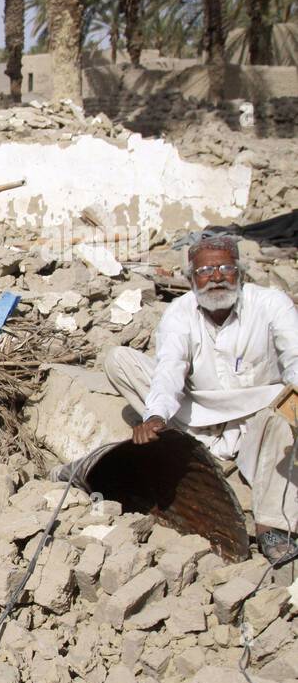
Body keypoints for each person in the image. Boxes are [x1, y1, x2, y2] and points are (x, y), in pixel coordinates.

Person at [103, 234, 298, 564]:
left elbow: (295, 357)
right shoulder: (179, 314)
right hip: (197, 414)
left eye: (225, 267)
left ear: (240, 272)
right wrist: (155, 416)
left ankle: (271, 526)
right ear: (191, 278)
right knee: (119, 360)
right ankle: (185, 444)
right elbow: (169, 369)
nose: (216, 277)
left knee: (282, 411)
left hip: (258, 413)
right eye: (206, 271)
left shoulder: (270, 304)